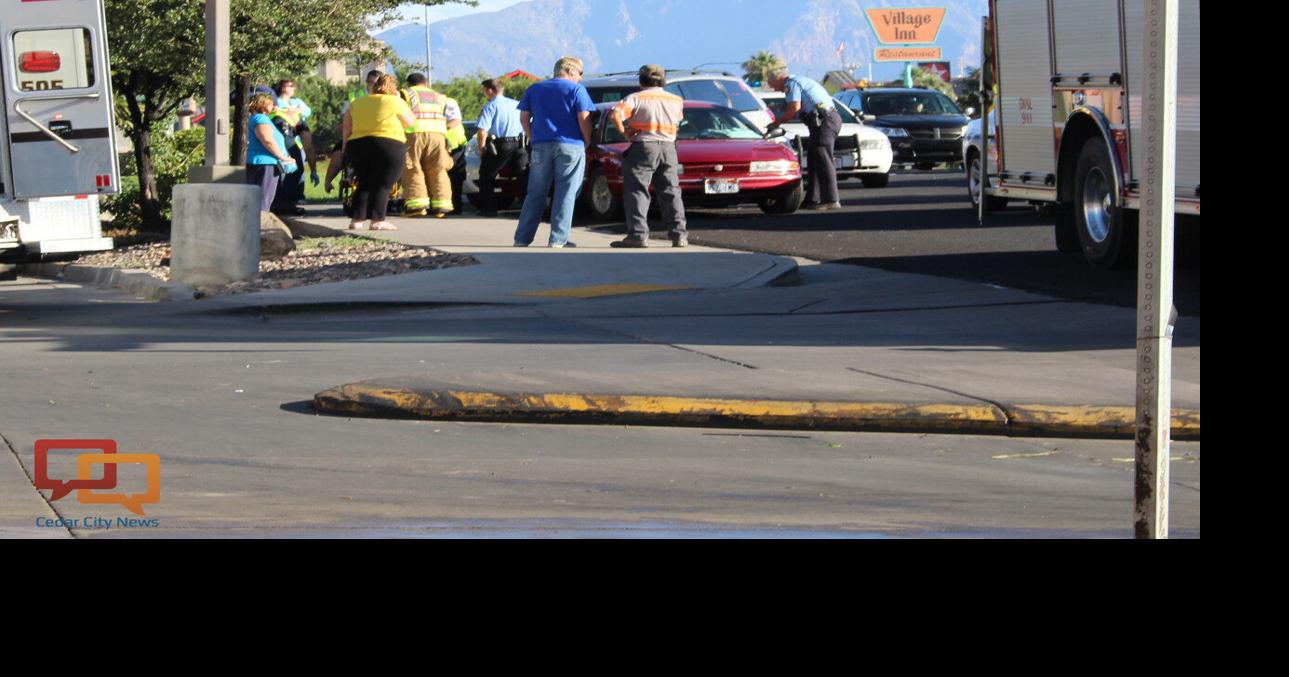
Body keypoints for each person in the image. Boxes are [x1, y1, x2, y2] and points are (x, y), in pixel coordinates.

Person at [514, 56, 595, 248]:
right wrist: (587, 140)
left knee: (535, 192)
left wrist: (532, 136)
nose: (581, 78)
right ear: (571, 71)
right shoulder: (576, 90)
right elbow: (584, 117)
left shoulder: (535, 89)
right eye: (580, 73)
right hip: (571, 145)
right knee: (566, 192)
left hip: (541, 145)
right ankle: (558, 239)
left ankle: (522, 238)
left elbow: (524, 117)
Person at [607, 65, 687, 248]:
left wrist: (625, 133)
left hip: (644, 146)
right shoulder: (676, 100)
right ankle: (678, 235)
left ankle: (638, 235)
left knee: (637, 190)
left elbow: (615, 115)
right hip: (668, 147)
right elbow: (678, 121)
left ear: (641, 80)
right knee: (671, 191)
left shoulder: (636, 98)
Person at [342, 74, 415, 231]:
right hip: (388, 143)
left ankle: (357, 220)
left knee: (364, 182)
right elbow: (411, 123)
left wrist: (344, 147)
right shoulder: (396, 101)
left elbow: (347, 126)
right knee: (384, 184)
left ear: (374, 87)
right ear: (393, 88)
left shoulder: (357, 102)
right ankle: (377, 220)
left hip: (358, 144)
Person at [767, 68, 842, 210]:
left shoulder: (791, 84)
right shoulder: (799, 81)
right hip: (823, 121)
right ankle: (812, 200)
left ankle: (831, 199)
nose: (772, 88)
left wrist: (776, 123)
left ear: (779, 78)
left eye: (772, 84)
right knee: (814, 159)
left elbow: (794, 108)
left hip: (824, 121)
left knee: (823, 159)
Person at [399, 73, 459, 218]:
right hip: (438, 136)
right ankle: (442, 207)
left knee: (412, 168)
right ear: (425, 83)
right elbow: (455, 119)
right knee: (438, 169)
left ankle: (416, 207)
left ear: (409, 83)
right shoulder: (440, 96)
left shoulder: (406, 93)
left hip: (414, 134)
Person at [475, 77, 527, 217]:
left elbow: (482, 130)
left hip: (501, 145)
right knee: (523, 177)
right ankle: (528, 210)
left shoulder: (491, 106)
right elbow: (528, 122)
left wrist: (481, 149)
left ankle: (489, 210)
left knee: (487, 176)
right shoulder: (517, 104)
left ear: (489, 90)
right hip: (520, 145)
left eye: (484, 91)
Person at [245, 93, 298, 213]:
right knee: (263, 202)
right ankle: (260, 228)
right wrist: (283, 157)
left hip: (254, 161)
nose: (274, 105)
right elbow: (267, 140)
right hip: (266, 164)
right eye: (271, 102)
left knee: (254, 201)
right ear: (262, 104)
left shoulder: (251, 119)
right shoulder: (261, 118)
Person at [273, 79, 319, 203]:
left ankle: (295, 196)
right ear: (282, 88)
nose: (294, 88)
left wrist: (296, 110)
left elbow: (307, 111)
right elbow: (275, 110)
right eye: (291, 86)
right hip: (281, 140)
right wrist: (290, 110)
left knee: (297, 167)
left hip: (296, 139)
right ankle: (281, 198)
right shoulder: (276, 101)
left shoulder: (296, 101)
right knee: (284, 170)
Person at [444, 100, 469, 215]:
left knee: (453, 178)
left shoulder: (446, 102)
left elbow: (456, 121)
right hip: (453, 145)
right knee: (455, 178)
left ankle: (454, 206)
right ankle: (455, 206)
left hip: (453, 146)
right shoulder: (446, 101)